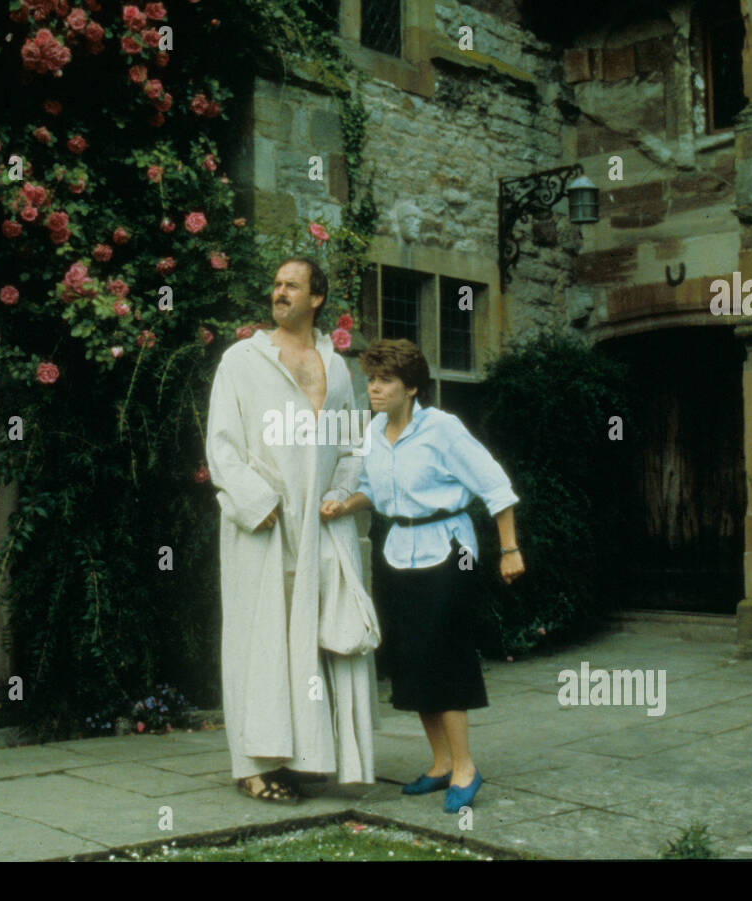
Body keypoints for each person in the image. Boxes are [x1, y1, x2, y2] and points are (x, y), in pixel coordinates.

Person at [320, 338, 524, 813]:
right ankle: (439, 764)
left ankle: (466, 767)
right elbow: (372, 490)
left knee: (445, 655)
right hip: (398, 555)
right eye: (370, 379)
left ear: (411, 387)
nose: (374, 388)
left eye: (385, 380)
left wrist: (510, 549)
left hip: (449, 553)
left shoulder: (442, 430)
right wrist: (342, 506)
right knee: (412, 659)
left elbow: (495, 486)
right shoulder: (373, 432)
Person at [205, 257, 379, 804]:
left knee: (314, 639)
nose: (278, 293)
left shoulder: (340, 368)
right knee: (259, 641)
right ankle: (253, 765)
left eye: (291, 285)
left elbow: (355, 445)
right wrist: (258, 503)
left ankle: (304, 757)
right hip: (263, 523)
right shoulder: (242, 360)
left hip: (321, 525)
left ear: (317, 298)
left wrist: (338, 495)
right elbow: (222, 446)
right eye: (275, 284)